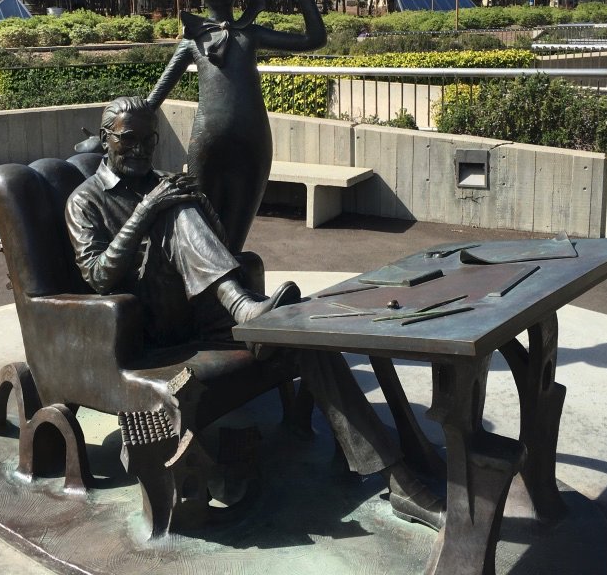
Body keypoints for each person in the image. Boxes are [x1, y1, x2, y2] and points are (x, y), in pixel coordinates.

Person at [66, 96, 445, 531]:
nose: (138, 150)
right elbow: (97, 277)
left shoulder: (163, 183)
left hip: (201, 312)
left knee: (304, 336)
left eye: (148, 141)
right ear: (104, 138)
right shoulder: (84, 201)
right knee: (171, 212)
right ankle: (246, 311)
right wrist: (149, 210)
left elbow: (222, 250)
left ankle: (400, 482)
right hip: (148, 326)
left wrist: (199, 205)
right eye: (128, 139)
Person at [146, 0, 326, 255]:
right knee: (206, 241)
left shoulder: (249, 34)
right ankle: (213, 307)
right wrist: (109, 133)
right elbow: (152, 100)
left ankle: (235, 304)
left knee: (235, 240)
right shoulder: (193, 37)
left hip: (251, 143)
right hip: (210, 144)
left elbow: (315, 38)